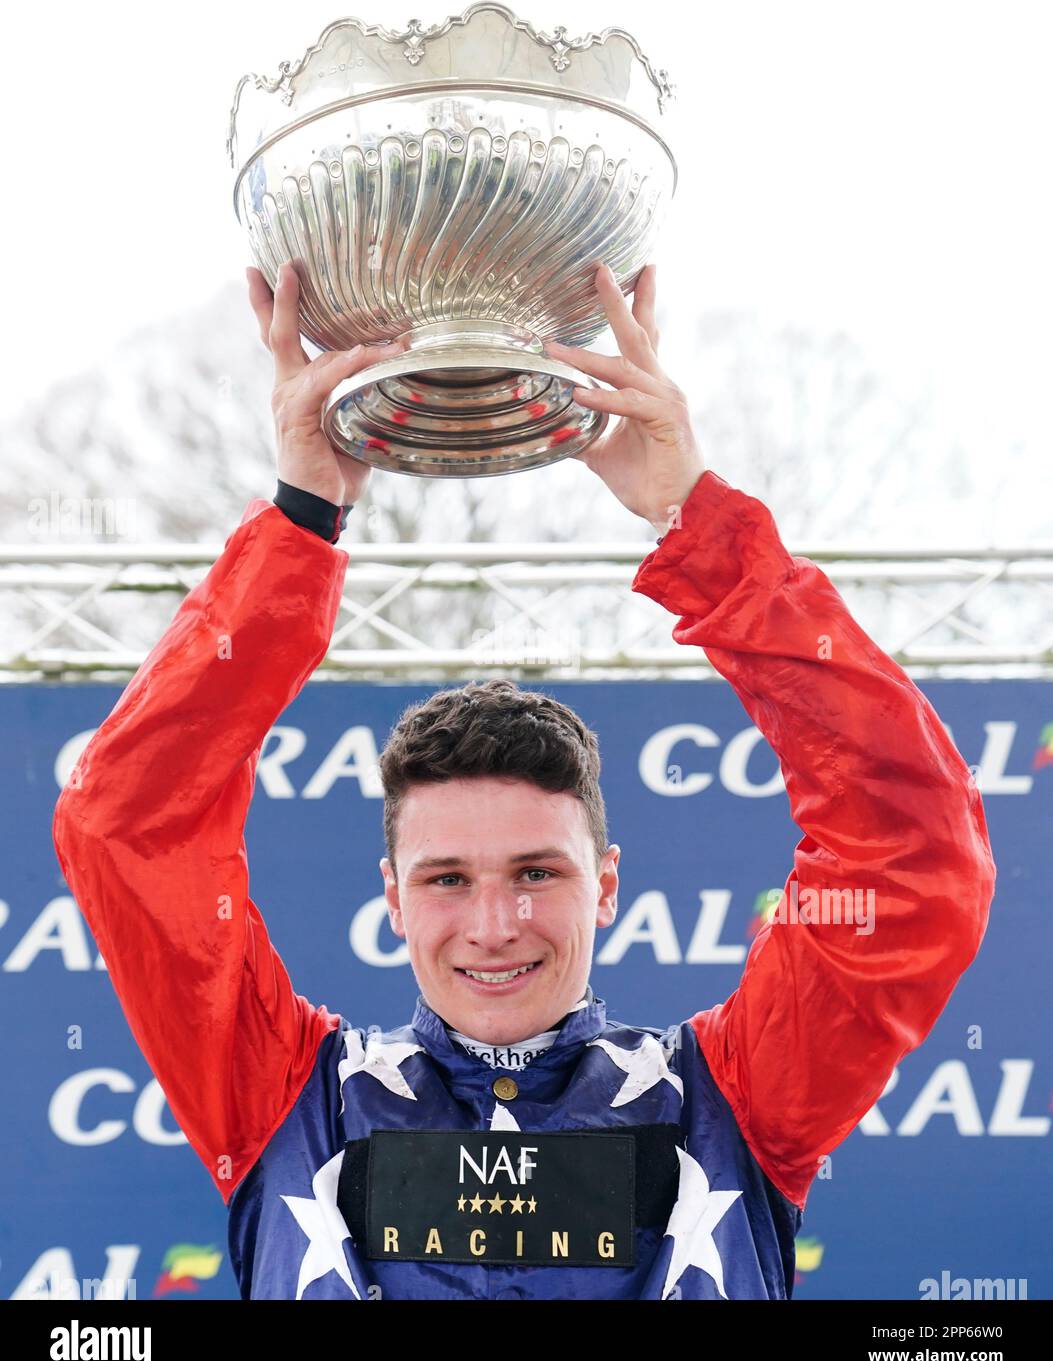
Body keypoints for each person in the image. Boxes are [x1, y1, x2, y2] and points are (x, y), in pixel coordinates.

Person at [52, 260, 996, 1301]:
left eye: (538, 872)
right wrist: (299, 519)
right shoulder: (279, 1094)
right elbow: (128, 819)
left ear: (609, 884)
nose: (495, 923)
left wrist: (695, 520)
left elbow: (912, 858)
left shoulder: (737, 1099)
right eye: (446, 878)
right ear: (392, 900)